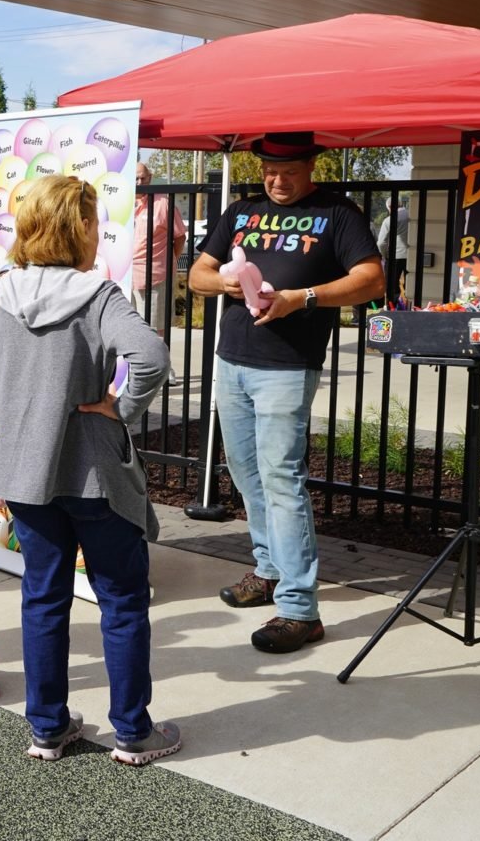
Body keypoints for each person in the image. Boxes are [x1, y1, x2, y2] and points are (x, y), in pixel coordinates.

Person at [0, 175, 181, 767]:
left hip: (24, 470)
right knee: (120, 599)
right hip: (94, 474)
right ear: (80, 227)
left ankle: (47, 728)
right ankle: (132, 733)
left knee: (42, 598)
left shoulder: (0, 292)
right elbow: (151, 357)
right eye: (93, 221)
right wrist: (122, 406)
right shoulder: (101, 296)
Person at [189, 132, 383, 654]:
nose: (277, 180)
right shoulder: (241, 209)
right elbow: (197, 274)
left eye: (288, 171)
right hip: (232, 361)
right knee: (247, 473)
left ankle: (300, 608)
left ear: (311, 166)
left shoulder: (338, 214)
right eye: (269, 171)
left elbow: (371, 279)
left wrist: (304, 298)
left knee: (281, 478)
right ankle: (269, 570)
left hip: (287, 366)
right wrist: (225, 285)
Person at [131, 163, 188, 386]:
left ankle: (164, 370)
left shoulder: (164, 203)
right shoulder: (121, 202)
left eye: (143, 179)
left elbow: (180, 238)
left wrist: (167, 261)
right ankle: (133, 370)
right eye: (135, 179)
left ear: (150, 178)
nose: (139, 183)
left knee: (156, 327)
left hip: (155, 273)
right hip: (125, 275)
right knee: (127, 326)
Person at [376, 197, 409, 303]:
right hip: (412, 256)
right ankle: (411, 307)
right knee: (411, 284)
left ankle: (393, 309)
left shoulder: (389, 220)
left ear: (389, 207)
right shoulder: (412, 215)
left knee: (392, 286)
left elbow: (381, 242)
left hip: (394, 256)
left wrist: (384, 255)